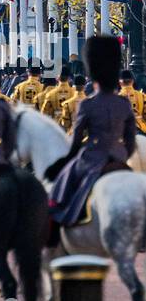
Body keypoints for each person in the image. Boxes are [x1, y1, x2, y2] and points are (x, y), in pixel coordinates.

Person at [47, 36, 136, 227]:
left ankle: (57, 224)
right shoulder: (124, 103)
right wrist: (121, 154)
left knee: (63, 180)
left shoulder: (88, 104)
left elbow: (77, 139)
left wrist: (68, 158)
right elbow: (131, 141)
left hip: (93, 158)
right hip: (119, 157)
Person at [119, 68, 146, 134]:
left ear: (120, 82)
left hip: (122, 132)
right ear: (132, 81)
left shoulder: (116, 98)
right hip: (141, 130)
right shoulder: (142, 96)